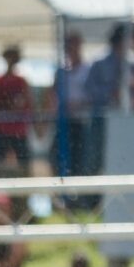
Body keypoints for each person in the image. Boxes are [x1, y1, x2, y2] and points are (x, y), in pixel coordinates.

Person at [84, 25, 134, 179]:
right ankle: (90, 199)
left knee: (122, 156)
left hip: (125, 119)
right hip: (102, 118)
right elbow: (90, 90)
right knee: (95, 156)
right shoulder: (100, 64)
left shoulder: (132, 65)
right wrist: (111, 94)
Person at [0, 45, 34, 170]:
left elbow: (27, 104)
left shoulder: (21, 81)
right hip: (1, 129)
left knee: (23, 166)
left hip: (18, 130)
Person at [54, 32, 93, 180]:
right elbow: (53, 94)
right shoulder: (61, 72)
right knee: (60, 157)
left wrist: (78, 105)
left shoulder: (88, 69)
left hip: (82, 122)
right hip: (64, 122)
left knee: (81, 158)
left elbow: (92, 96)